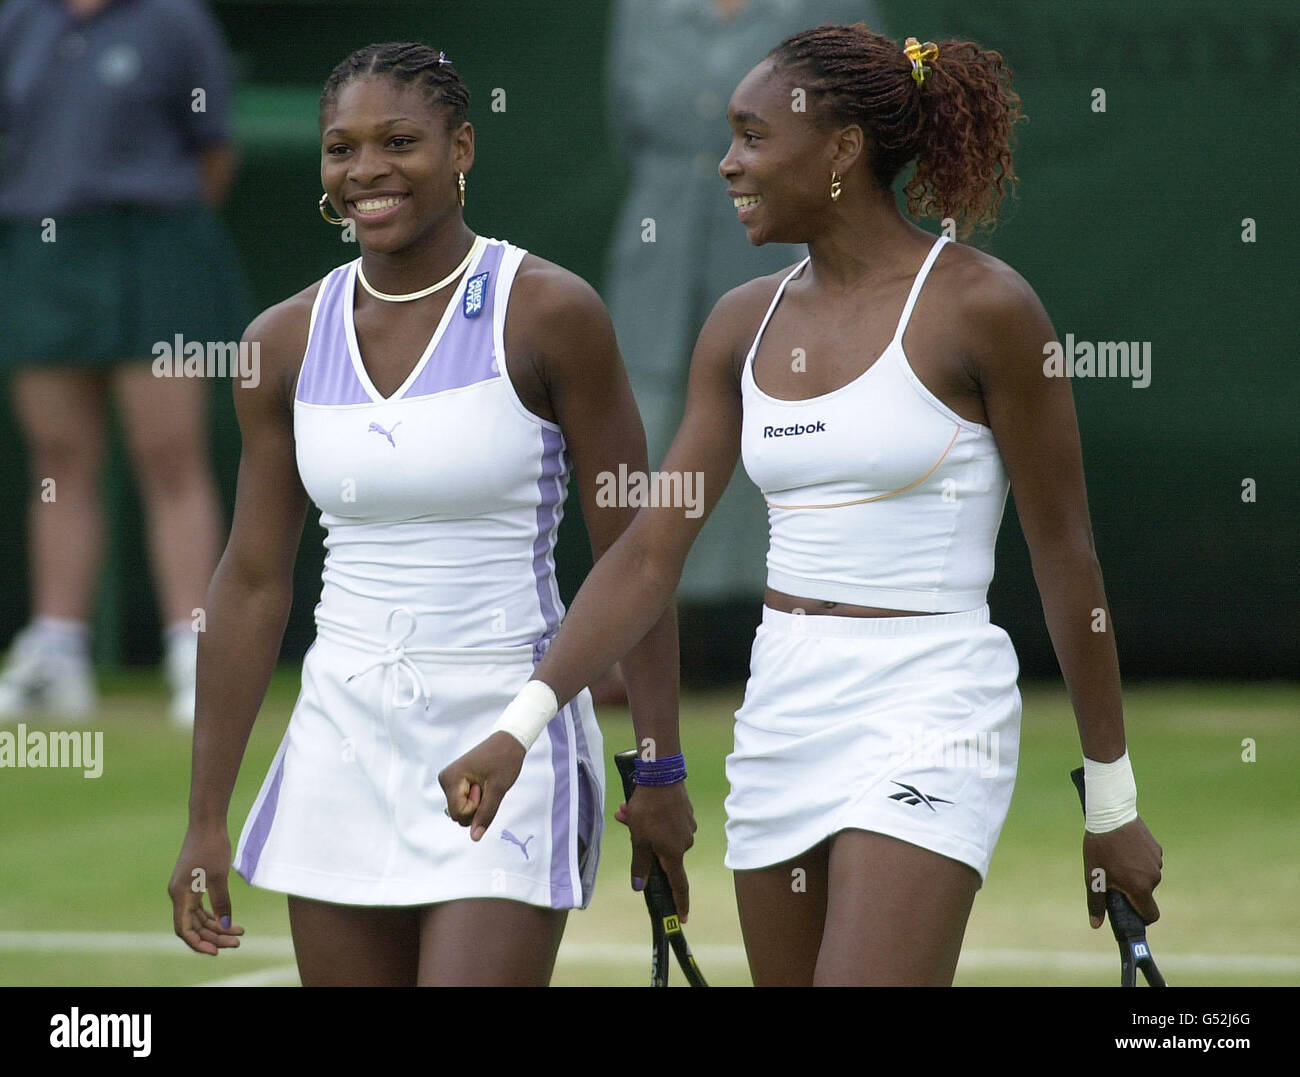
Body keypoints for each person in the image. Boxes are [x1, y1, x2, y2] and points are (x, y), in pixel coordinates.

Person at [440, 24, 1164, 986]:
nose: (728, 162)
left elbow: (1067, 555)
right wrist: (519, 724)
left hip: (932, 702)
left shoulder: (985, 307)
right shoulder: (741, 324)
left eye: (751, 135)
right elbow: (653, 553)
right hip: (780, 706)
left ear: (842, 150)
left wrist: (1110, 797)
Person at [166, 42, 692, 987]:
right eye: (342, 148)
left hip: (508, 732)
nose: (367, 169)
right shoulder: (278, 341)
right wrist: (206, 816)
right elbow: (249, 580)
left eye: (398, 141)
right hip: (339, 744)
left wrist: (657, 767)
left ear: (462, 148)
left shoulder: (551, 312)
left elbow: (639, 556)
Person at [0, 0, 245, 726]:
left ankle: (193, 653)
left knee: (169, 454)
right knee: (57, 458)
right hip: (46, 252)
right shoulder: (17, 19)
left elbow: (214, 150)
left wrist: (153, 230)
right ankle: (57, 653)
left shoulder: (175, 20)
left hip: (156, 248)